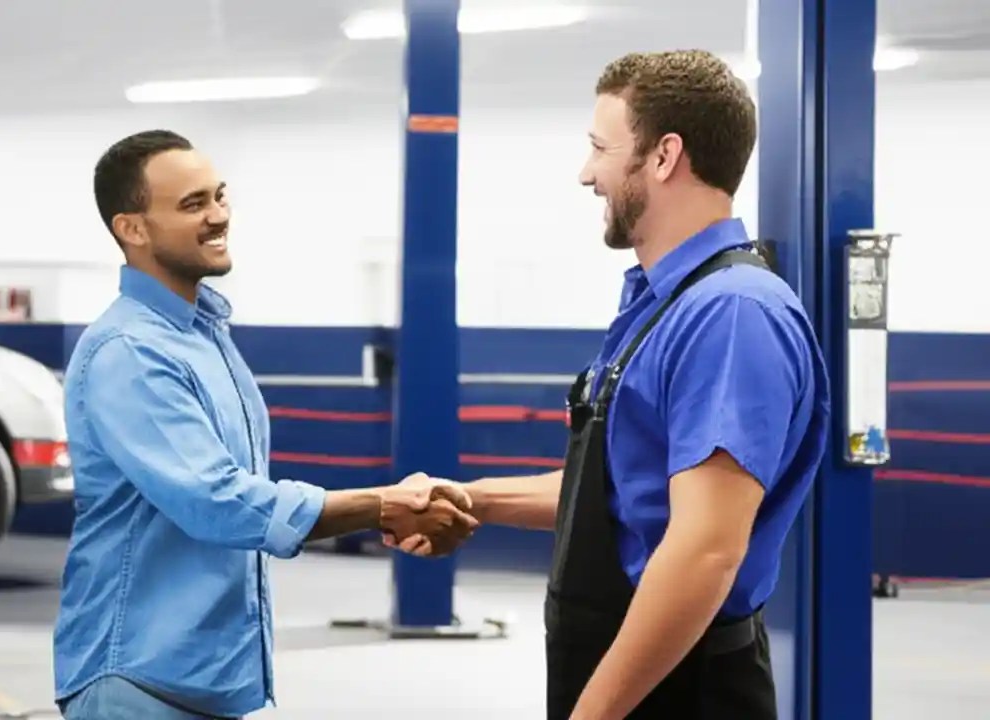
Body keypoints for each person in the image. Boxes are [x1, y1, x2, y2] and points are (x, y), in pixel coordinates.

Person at [392, 50, 830, 719]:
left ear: (663, 156)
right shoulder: (666, 303)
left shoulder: (732, 313)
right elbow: (625, 492)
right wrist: (471, 500)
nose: (586, 174)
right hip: (632, 669)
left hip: (682, 690)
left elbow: (703, 550)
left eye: (600, 148)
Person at [53, 129, 477, 720]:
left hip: (207, 679)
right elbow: (217, 501)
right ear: (133, 228)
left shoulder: (205, 337)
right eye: (193, 204)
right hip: (138, 680)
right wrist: (382, 505)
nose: (218, 216)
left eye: (220, 196)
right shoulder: (130, 351)